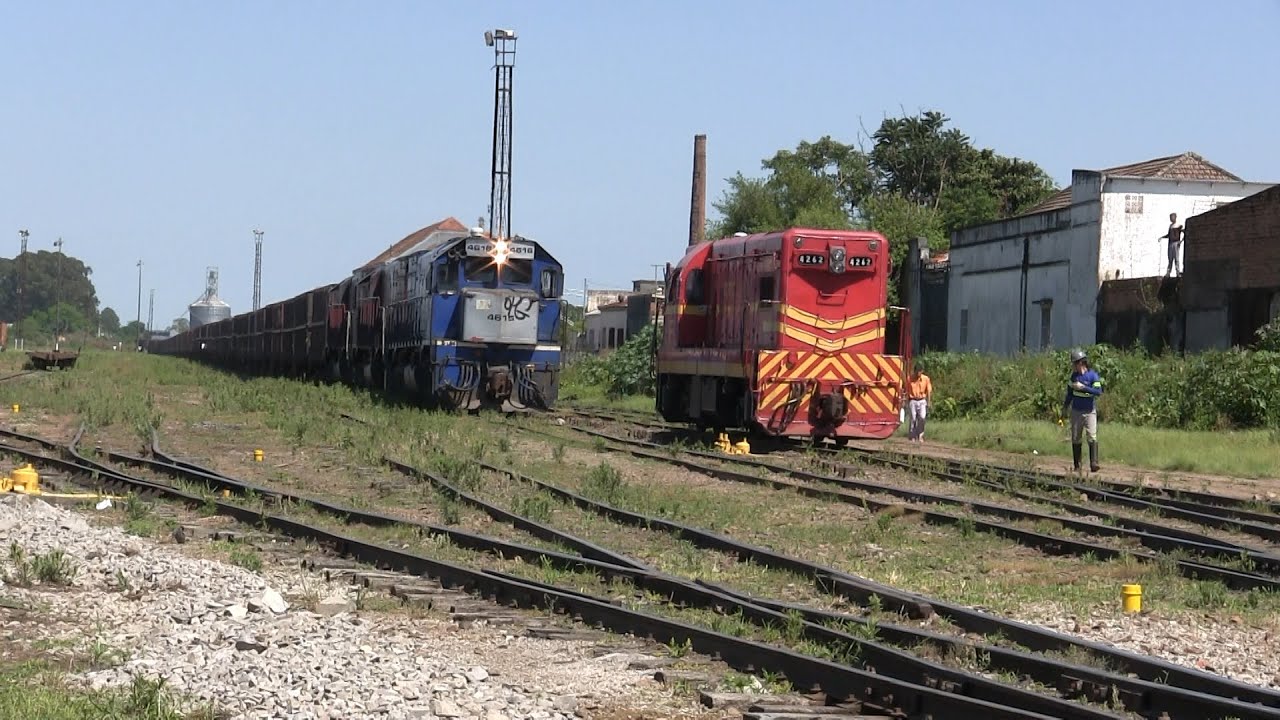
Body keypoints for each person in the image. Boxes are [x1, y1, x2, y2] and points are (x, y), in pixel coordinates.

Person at [1062, 348, 1104, 473]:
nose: (1073, 366)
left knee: (1092, 436)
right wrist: (1065, 408)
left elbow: (1098, 392)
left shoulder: (1092, 376)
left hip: (1089, 411)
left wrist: (1084, 388)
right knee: (1076, 437)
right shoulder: (1074, 377)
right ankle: (1077, 465)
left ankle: (1094, 463)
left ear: (1080, 363)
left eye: (1074, 363)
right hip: (1076, 411)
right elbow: (1069, 393)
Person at [906, 366, 932, 442]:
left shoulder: (926, 379)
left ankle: (920, 435)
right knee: (913, 418)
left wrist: (929, 401)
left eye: (919, 372)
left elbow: (929, 391)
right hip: (913, 400)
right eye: (917, 371)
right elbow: (907, 390)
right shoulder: (909, 378)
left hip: (922, 400)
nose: (918, 373)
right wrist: (907, 401)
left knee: (922, 417)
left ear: (922, 371)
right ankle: (912, 436)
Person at [1159, 213, 1184, 278]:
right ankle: (1168, 273)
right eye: (1170, 217)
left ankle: (1178, 273)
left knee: (1176, 259)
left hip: (1176, 243)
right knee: (1170, 259)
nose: (1171, 219)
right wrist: (1162, 237)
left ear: (1175, 217)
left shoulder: (1179, 225)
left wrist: (1181, 241)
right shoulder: (1170, 226)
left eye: (1172, 217)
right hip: (1170, 244)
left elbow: (1185, 232)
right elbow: (1169, 235)